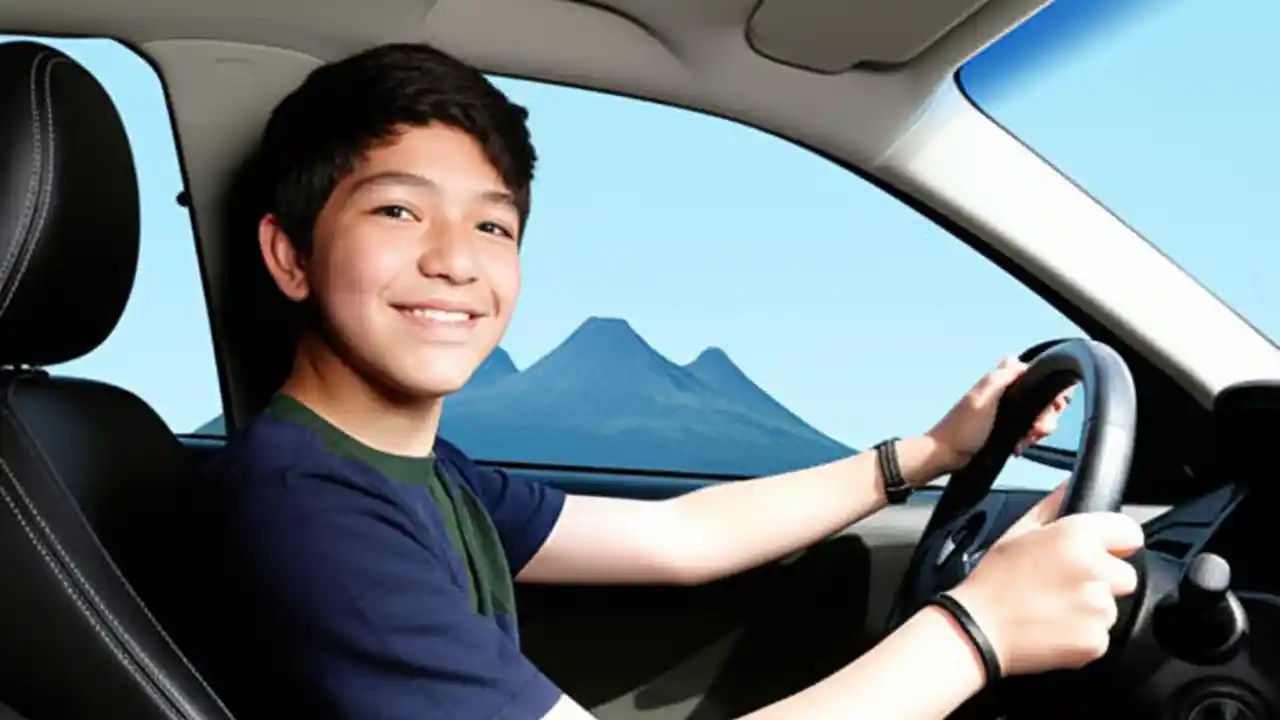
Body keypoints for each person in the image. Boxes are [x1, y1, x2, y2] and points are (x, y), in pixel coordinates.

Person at [199, 42, 1144, 720]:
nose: (456, 261)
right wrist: (977, 632)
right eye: (400, 211)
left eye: (493, 226)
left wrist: (930, 454)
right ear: (290, 258)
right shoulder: (310, 509)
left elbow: (675, 536)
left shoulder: (412, 469)